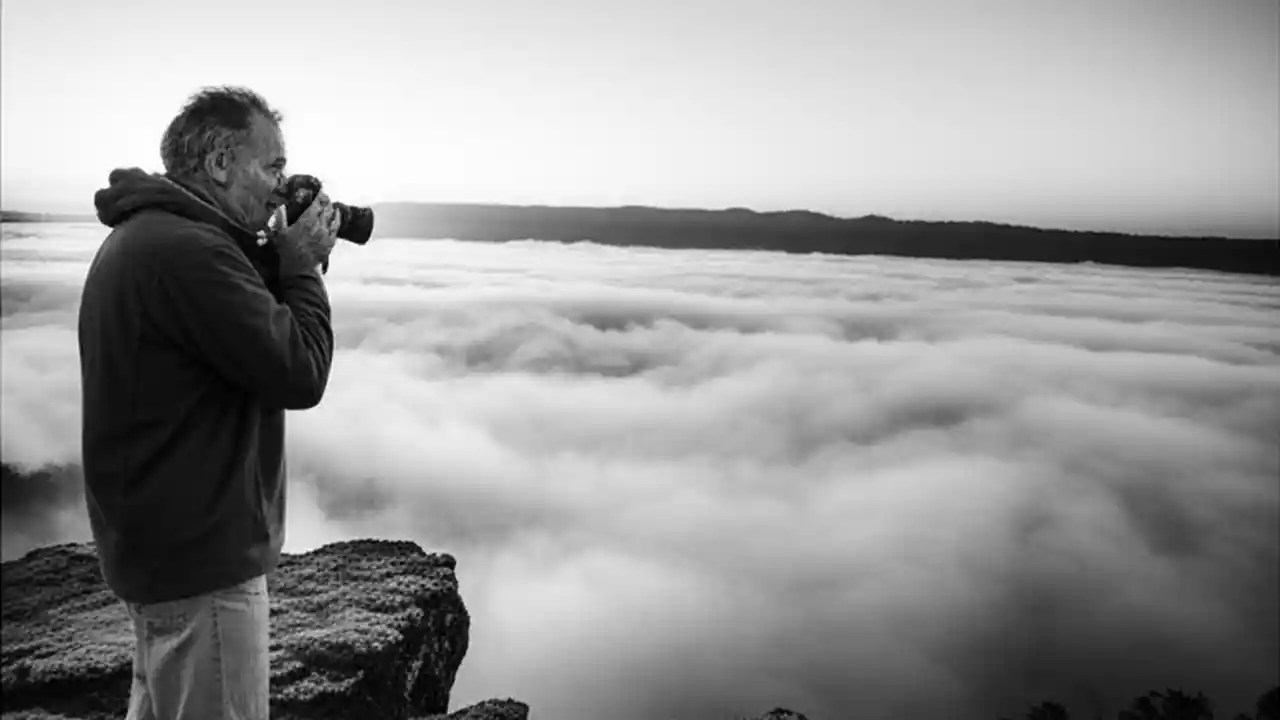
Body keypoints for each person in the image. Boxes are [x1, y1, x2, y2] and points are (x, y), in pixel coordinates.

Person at [77, 85, 339, 720]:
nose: (283, 188)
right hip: (203, 566)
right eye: (273, 166)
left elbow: (225, 326)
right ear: (221, 163)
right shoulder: (188, 252)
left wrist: (276, 263)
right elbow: (301, 372)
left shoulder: (155, 238)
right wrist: (300, 266)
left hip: (164, 553)